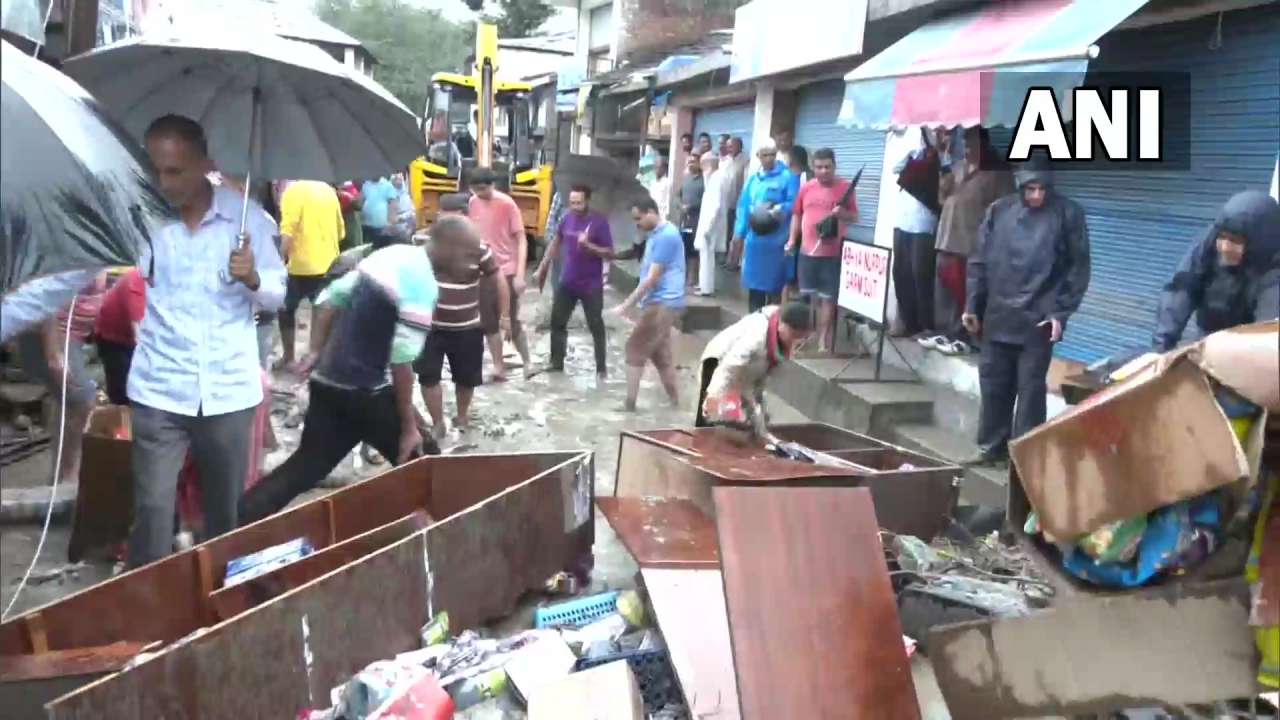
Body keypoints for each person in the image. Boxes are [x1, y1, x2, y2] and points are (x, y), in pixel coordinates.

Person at [127, 115, 286, 566]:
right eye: (155, 169)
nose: (164, 181)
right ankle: (150, 615)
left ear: (205, 164)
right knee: (153, 511)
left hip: (227, 391)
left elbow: (278, 295)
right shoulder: (142, 219)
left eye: (175, 171)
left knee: (223, 514)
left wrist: (253, 276)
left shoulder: (248, 221)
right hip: (159, 389)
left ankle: (218, 604)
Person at [239, 241, 442, 525]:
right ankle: (444, 530)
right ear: (452, 254)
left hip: (329, 385)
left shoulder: (385, 259)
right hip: (368, 393)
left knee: (302, 469)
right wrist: (409, 427)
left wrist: (315, 352)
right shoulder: (422, 284)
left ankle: (224, 533)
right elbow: (401, 362)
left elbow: (328, 299)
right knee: (427, 463)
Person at [963, 155, 1090, 466]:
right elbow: (979, 261)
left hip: (1040, 318)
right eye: (1029, 188)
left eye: (1041, 189)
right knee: (994, 384)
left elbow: (1078, 269)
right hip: (998, 314)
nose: (1036, 195)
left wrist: (1060, 314)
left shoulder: (1068, 214)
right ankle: (991, 447)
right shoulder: (999, 211)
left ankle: (1025, 458)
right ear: (1020, 186)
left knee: (1031, 391)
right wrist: (972, 304)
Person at [921, 127, 1014, 356]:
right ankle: (944, 332)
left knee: (965, 292)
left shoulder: (997, 173)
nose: (968, 149)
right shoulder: (959, 167)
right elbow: (942, 198)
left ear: (986, 146)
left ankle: (963, 337)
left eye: (973, 145)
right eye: (966, 144)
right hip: (946, 238)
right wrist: (944, 162)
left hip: (970, 242)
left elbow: (1007, 209)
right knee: (943, 290)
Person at [416, 208, 506, 438]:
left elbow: (496, 278)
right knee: (428, 376)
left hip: (467, 327)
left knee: (467, 377)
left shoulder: (480, 250)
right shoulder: (426, 251)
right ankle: (438, 422)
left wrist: (500, 315)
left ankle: (462, 416)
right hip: (430, 327)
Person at [1153, 189, 1280, 351]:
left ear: (1260, 242)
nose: (1225, 248)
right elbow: (1181, 288)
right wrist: (1162, 344)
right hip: (1206, 337)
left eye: (1236, 241)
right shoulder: (1210, 242)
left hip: (1244, 350)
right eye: (1222, 237)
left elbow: (1266, 330)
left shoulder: (1273, 270)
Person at [16, 272, 105, 485]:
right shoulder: (71, 246)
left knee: (69, 401)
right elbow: (46, 290)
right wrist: (53, 351)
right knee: (81, 400)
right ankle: (66, 478)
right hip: (51, 336)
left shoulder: (103, 246)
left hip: (73, 338)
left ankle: (60, 476)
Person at [696, 302, 814, 445]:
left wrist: (759, 414)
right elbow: (728, 368)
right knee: (716, 420)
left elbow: (759, 381)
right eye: (794, 336)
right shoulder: (756, 336)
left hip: (748, 371)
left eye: (802, 338)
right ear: (783, 325)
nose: (797, 342)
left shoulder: (781, 340)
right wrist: (713, 396)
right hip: (719, 363)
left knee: (758, 419)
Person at [611, 196, 686, 412]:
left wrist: (626, 305)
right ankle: (676, 405)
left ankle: (629, 406)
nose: (637, 223)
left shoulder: (666, 237)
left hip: (662, 302)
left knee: (634, 349)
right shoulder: (656, 234)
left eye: (639, 218)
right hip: (661, 301)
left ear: (651, 212)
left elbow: (651, 278)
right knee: (661, 356)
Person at [536, 185, 614, 378]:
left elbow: (609, 253)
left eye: (579, 203)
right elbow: (556, 243)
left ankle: (601, 369)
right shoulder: (566, 218)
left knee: (596, 325)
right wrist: (542, 267)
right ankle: (556, 362)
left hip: (591, 285)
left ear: (587, 201)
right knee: (557, 322)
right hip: (568, 280)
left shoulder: (599, 222)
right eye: (572, 203)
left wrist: (588, 246)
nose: (575, 206)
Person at [787, 148, 858, 354]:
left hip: (833, 254)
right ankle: (805, 336)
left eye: (828, 167)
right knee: (808, 298)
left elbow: (855, 218)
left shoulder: (845, 188)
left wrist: (842, 213)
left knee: (828, 298)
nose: (824, 171)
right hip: (807, 252)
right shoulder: (806, 188)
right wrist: (792, 239)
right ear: (813, 167)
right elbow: (796, 215)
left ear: (834, 166)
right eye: (819, 167)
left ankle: (823, 340)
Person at [469, 168, 533, 379]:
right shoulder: (472, 203)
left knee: (511, 320)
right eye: (477, 190)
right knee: (487, 322)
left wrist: (520, 274)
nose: (481, 193)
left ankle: (527, 362)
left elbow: (522, 239)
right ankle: (498, 366)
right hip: (483, 269)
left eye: (484, 189)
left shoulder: (507, 204)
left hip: (507, 269)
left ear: (493, 185)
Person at [277, 179, 343, 371]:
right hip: (330, 264)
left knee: (286, 310)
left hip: (300, 266)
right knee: (321, 311)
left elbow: (287, 233)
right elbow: (340, 232)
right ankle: (314, 359)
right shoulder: (330, 191)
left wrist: (279, 261)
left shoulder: (292, 192)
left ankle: (289, 358)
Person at [892, 128, 949, 337]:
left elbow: (947, 181)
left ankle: (925, 326)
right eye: (933, 131)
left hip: (924, 224)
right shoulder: (914, 152)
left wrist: (943, 153)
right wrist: (911, 152)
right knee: (900, 272)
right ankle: (907, 322)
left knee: (921, 274)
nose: (937, 134)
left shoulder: (945, 157)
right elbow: (895, 166)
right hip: (902, 220)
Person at [735, 138, 799, 312]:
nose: (768, 159)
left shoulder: (788, 177)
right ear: (758, 156)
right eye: (764, 155)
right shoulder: (753, 180)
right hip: (755, 242)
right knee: (754, 289)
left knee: (774, 288)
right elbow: (743, 206)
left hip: (776, 241)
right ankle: (752, 321)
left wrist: (780, 209)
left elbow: (794, 204)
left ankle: (772, 326)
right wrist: (739, 233)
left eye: (772, 154)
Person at [94, 268, 147, 404]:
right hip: (114, 337)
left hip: (138, 331)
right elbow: (140, 339)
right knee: (122, 393)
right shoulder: (136, 283)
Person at [694, 151, 732, 296]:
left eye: (703, 165)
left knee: (707, 256)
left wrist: (708, 228)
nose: (702, 168)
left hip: (711, 224)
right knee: (705, 256)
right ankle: (703, 284)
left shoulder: (717, 178)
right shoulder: (715, 177)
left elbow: (715, 205)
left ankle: (706, 288)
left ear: (710, 164)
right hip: (711, 223)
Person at [781, 145, 811, 304]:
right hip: (800, 233)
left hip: (800, 233)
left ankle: (786, 312)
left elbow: (797, 208)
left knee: (790, 277)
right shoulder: (807, 176)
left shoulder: (802, 178)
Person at [679, 153, 706, 288]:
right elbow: (679, 195)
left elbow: (706, 200)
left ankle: (692, 277)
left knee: (693, 249)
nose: (690, 164)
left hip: (696, 219)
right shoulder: (685, 179)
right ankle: (682, 275)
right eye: (688, 162)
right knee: (683, 246)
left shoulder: (703, 181)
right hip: (684, 219)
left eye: (693, 162)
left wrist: (693, 206)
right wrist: (681, 206)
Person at [724, 136, 749, 270]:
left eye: (731, 146)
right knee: (726, 232)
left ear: (739, 146)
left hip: (738, 203)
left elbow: (745, 183)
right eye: (728, 146)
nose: (729, 149)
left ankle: (735, 261)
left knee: (737, 233)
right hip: (726, 203)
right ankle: (728, 259)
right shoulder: (726, 160)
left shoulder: (745, 161)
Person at [360, 175, 400, 249]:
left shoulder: (387, 185)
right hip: (367, 225)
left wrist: (391, 223)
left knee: (380, 250)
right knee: (368, 250)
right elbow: (361, 200)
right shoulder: (366, 185)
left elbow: (393, 205)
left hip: (382, 226)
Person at [391, 172, 416, 238]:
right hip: (394, 226)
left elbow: (412, 211)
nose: (398, 181)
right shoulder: (389, 195)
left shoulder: (406, 196)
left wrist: (404, 217)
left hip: (407, 225)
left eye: (399, 179)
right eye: (396, 179)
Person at [647, 155, 672, 220]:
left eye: (658, 167)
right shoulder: (652, 183)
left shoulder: (667, 183)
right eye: (654, 167)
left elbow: (669, 202)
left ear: (663, 168)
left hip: (663, 216)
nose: (655, 169)